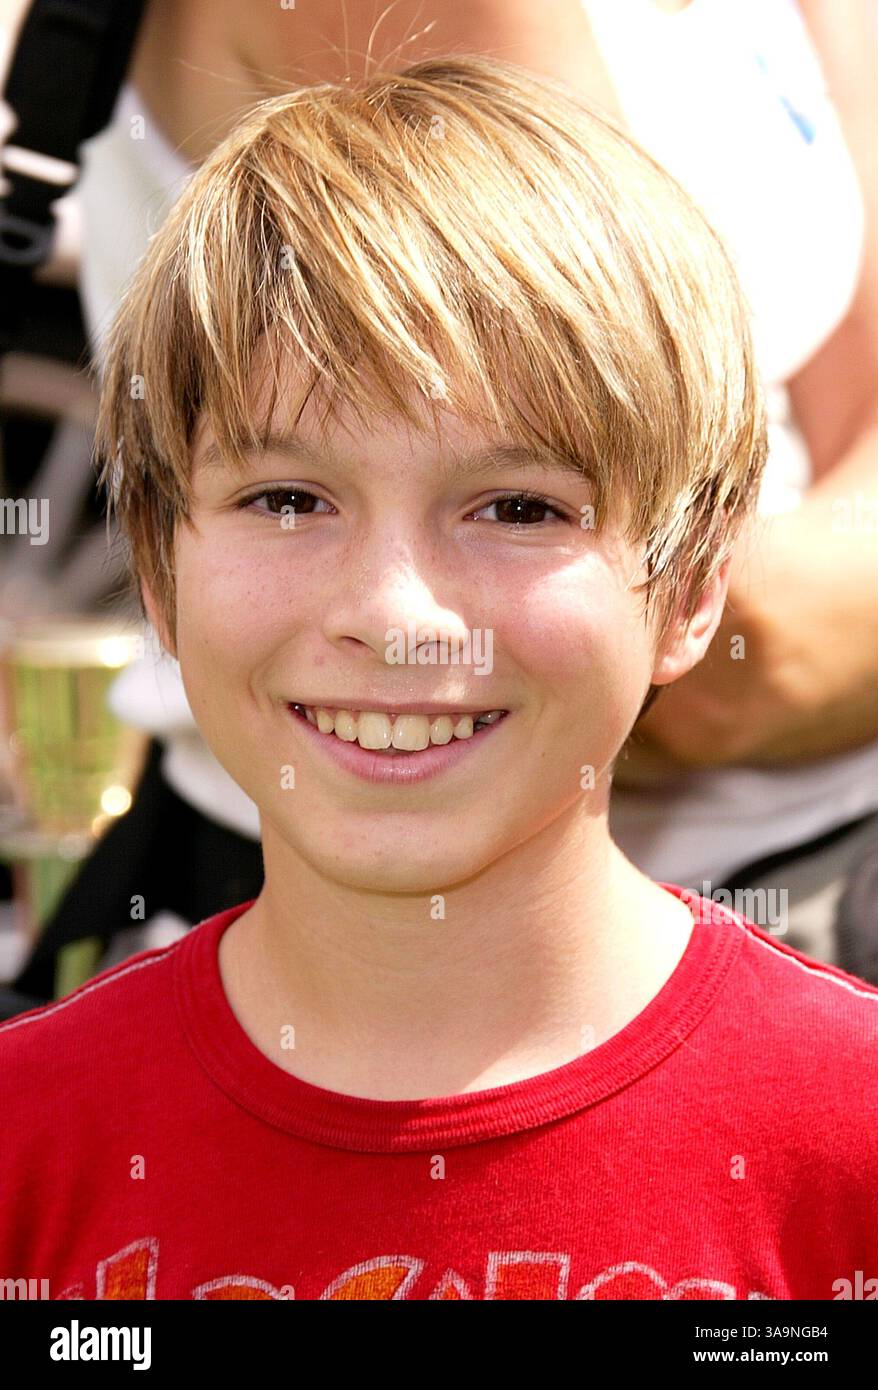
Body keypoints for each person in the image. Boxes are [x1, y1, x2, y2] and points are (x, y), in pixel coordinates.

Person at [1, 57, 876, 1300]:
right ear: (157, 568)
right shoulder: (29, 1152)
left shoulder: (848, 1147)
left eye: (516, 506)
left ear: (688, 588)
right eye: (288, 498)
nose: (394, 616)